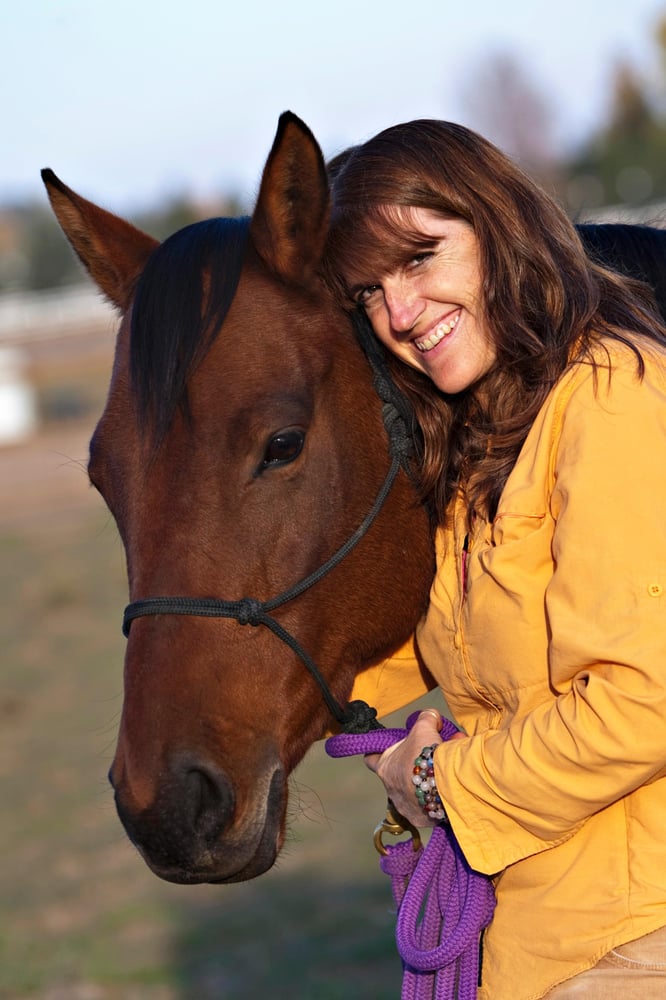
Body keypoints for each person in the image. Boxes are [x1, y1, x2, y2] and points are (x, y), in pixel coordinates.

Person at [323, 120, 666, 999]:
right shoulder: (477, 432)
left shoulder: (617, 397)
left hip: (637, 933)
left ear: (499, 226)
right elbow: (414, 645)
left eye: (420, 258)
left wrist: (437, 782)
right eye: (368, 290)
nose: (398, 313)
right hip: (531, 940)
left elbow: (644, 704)